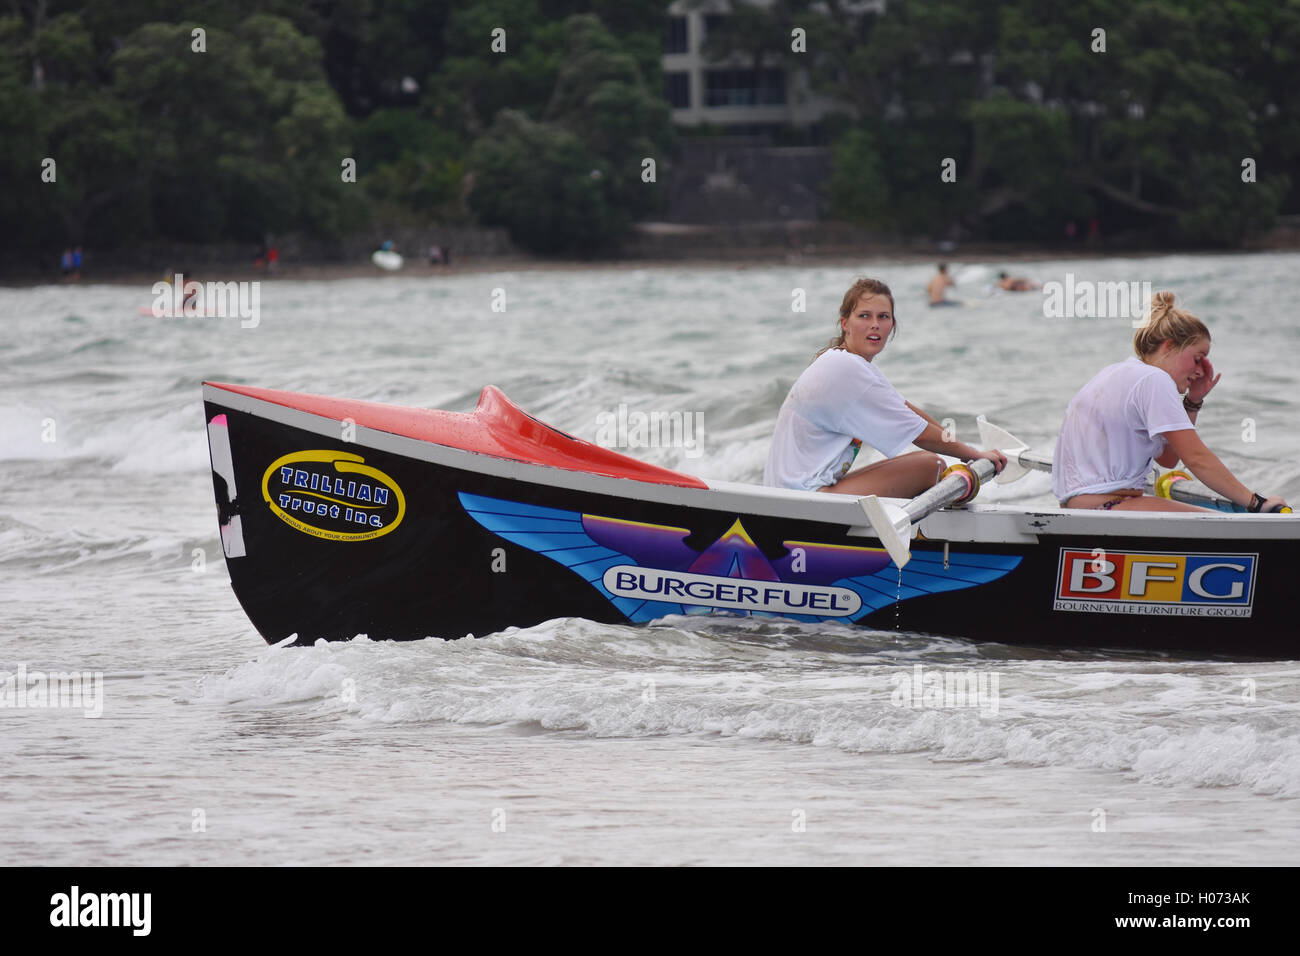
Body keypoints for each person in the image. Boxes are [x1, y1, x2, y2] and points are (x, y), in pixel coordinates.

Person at [764, 277, 1006, 497]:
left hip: (793, 493)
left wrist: (969, 451)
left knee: (930, 463)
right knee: (931, 466)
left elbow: (909, 413)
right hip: (802, 499)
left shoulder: (847, 363)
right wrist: (974, 455)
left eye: (883, 317)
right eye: (864, 316)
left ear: (892, 325)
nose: (875, 325)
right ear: (845, 323)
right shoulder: (844, 366)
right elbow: (920, 434)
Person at [1054, 291, 1288, 512]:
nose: (1200, 371)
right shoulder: (1153, 380)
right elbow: (1197, 459)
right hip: (1108, 506)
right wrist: (1255, 503)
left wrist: (1193, 400)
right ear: (1170, 346)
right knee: (1227, 527)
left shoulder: (1120, 372)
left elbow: (1167, 458)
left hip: (1083, 507)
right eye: (1198, 359)